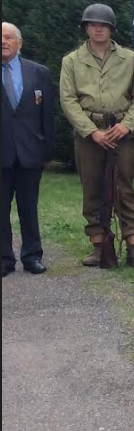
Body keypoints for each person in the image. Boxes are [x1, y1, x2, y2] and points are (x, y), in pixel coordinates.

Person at [59, 3, 134, 267]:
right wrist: (91, 132)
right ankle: (98, 244)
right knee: (92, 187)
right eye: (93, 24)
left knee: (125, 188)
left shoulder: (130, 58)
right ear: (86, 27)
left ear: (111, 29)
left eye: (104, 25)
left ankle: (133, 246)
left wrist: (127, 125)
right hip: (89, 134)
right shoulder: (72, 61)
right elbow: (68, 100)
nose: (99, 29)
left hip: (121, 132)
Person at [3, 22, 55, 276]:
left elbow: (47, 115)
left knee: (28, 207)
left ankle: (32, 256)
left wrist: (47, 150)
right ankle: (4, 258)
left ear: (19, 43)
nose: (3, 41)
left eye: (8, 37)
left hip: (30, 152)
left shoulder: (39, 72)